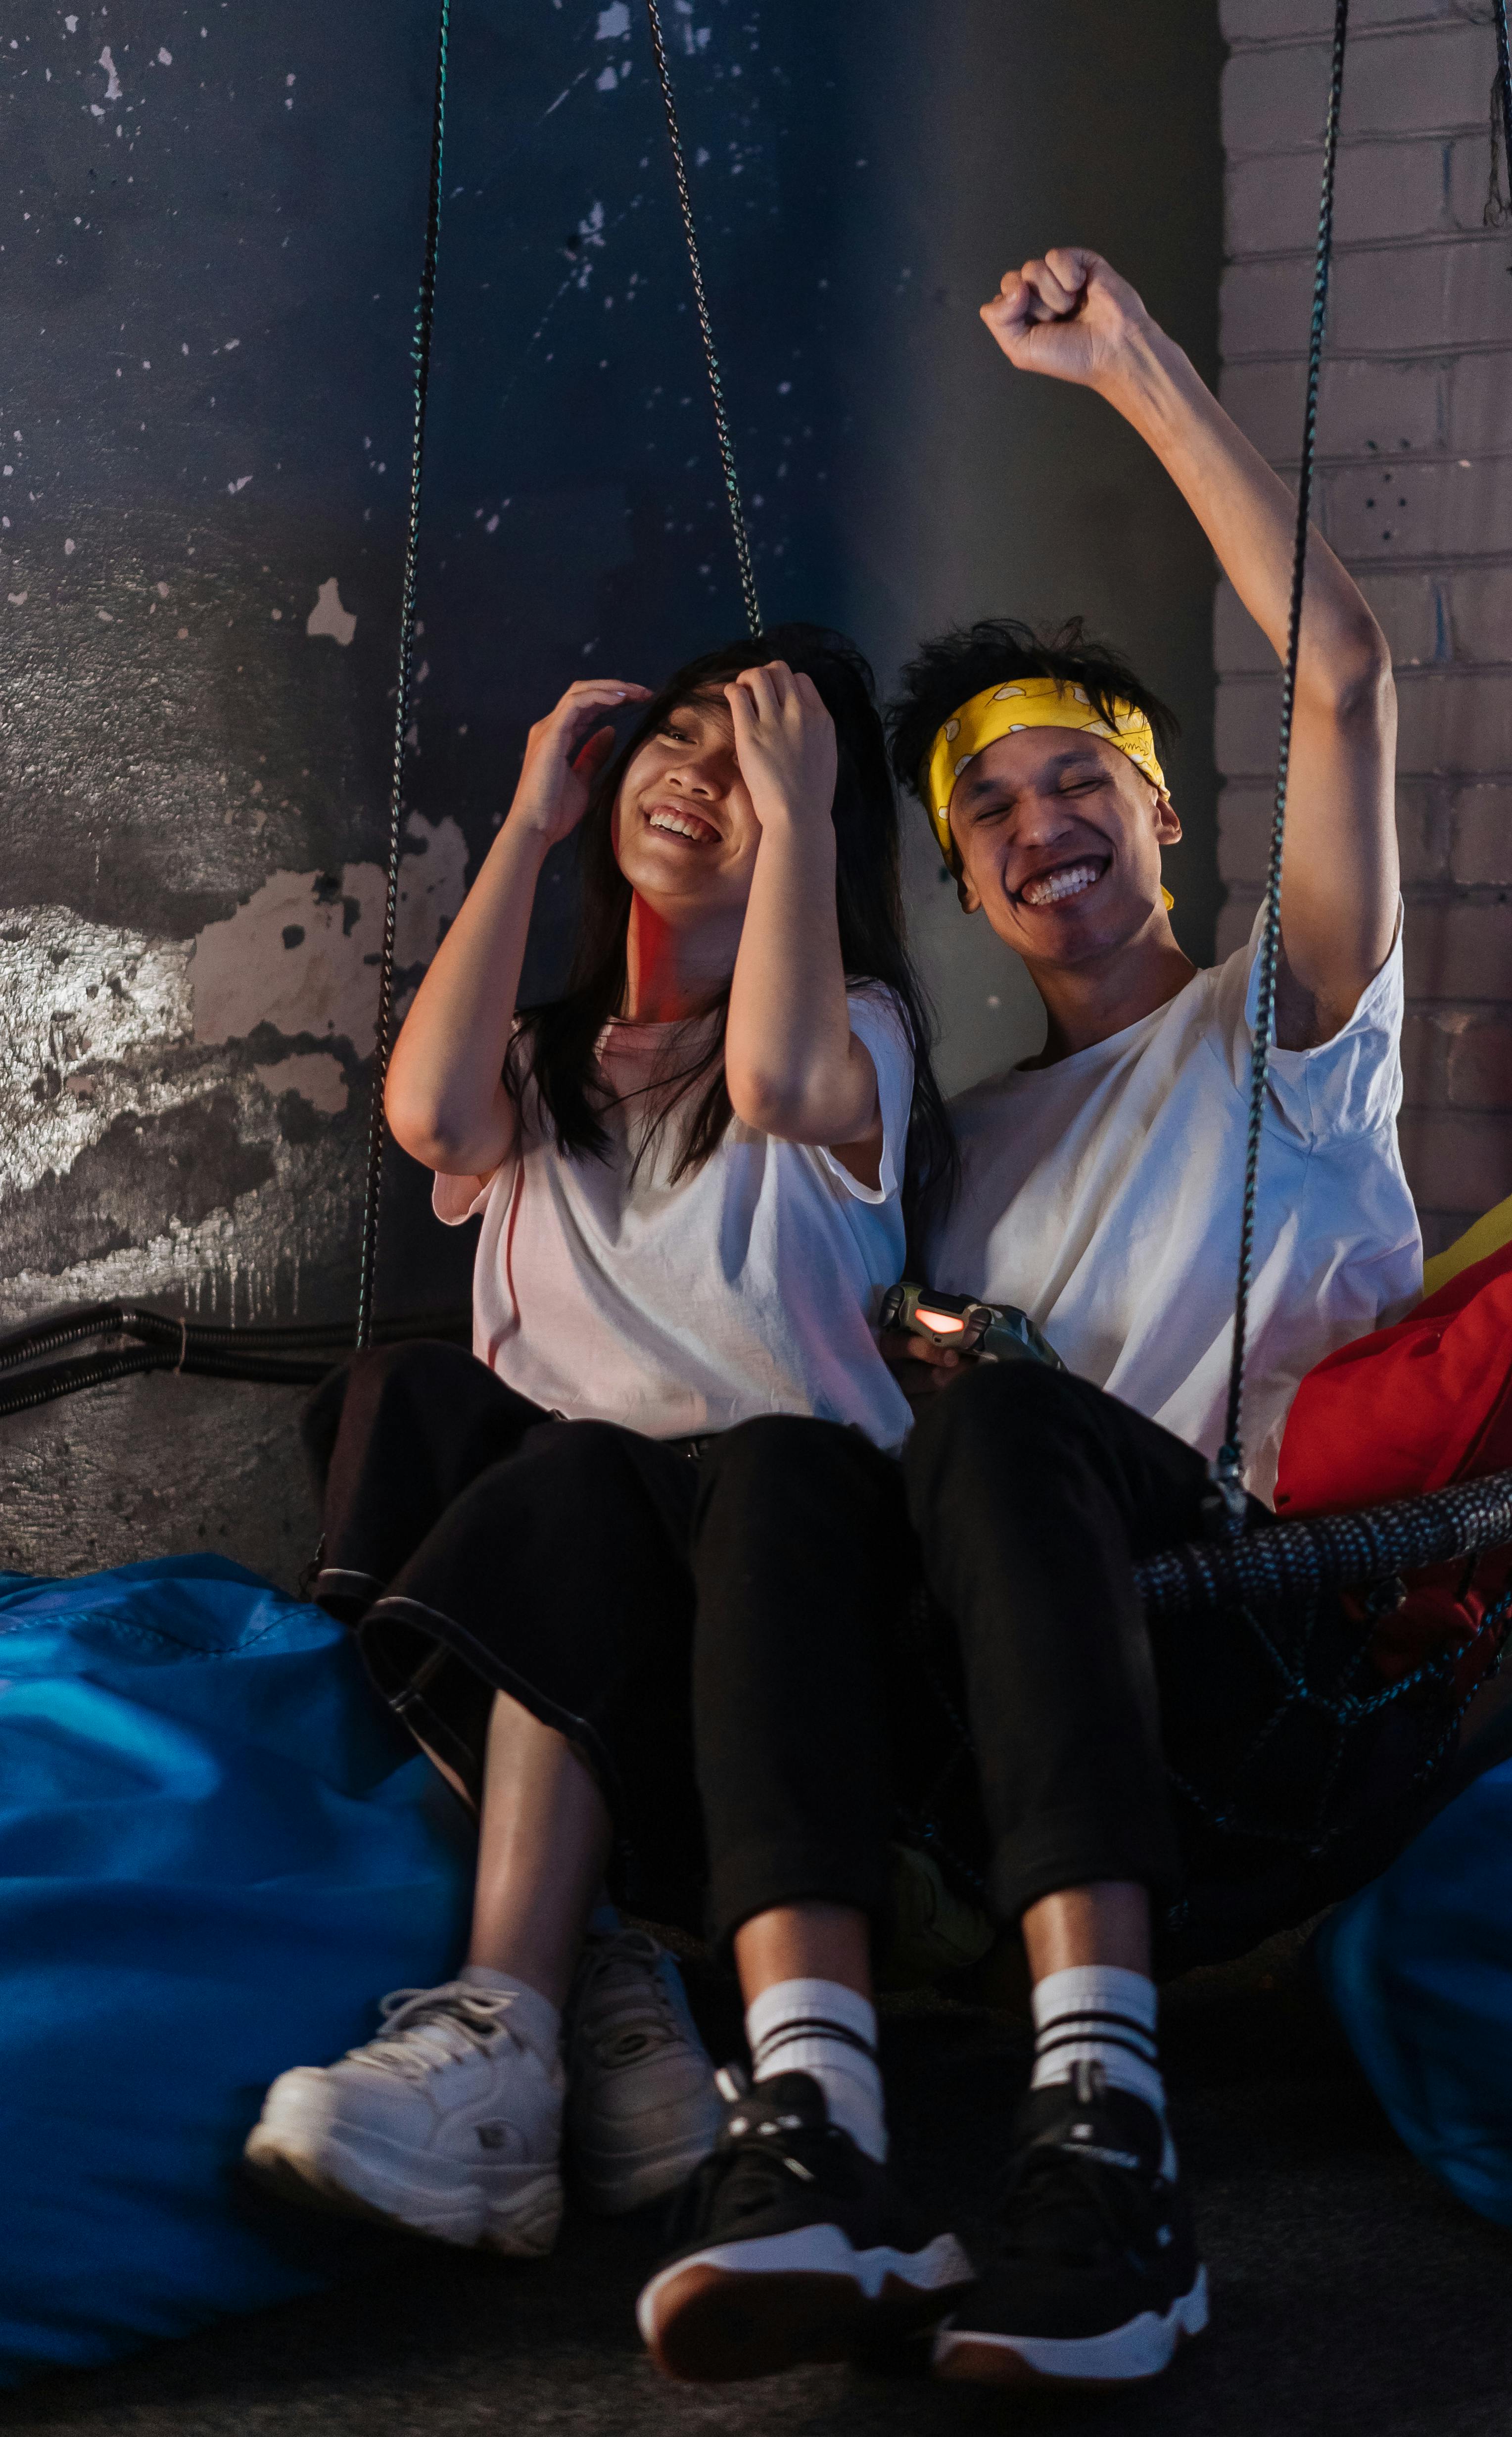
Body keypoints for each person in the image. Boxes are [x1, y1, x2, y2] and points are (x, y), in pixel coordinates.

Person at [634, 247, 1421, 2391]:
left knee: (1001, 1421)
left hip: (1262, 1681)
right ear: (967, 889)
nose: (1031, 821)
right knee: (790, 1457)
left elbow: (1343, 676)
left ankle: (1111, 2131)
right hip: (1013, 1721)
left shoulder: (1287, 1028)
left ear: (1163, 813)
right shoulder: (951, 1143)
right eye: (984, 807)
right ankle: (817, 2122)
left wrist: (1128, 367)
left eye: (1075, 774)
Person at [241, 625, 958, 2282]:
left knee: (566, 1482)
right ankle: (610, 1966)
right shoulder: (540, 1063)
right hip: (561, 1554)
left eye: (761, 757)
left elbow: (776, 1083)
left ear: (813, 825)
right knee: (406, 1399)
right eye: (683, 741)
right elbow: (428, 1119)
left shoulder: (854, 1035)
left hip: (776, 1558)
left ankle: (503, 2034)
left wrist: (802, 805)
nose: (704, 775)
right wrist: (527, 825)